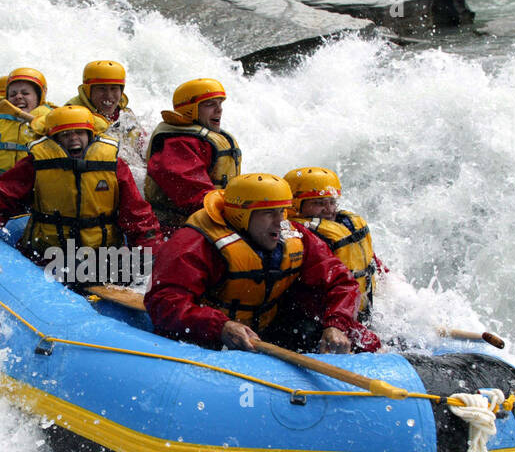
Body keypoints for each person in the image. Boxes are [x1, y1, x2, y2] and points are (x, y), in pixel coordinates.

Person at [145, 173, 381, 353]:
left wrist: (336, 325)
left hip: (269, 328)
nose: (280, 222)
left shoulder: (294, 236)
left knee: (347, 337)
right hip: (212, 336)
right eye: (269, 213)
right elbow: (165, 302)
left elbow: (341, 282)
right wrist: (221, 327)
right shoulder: (195, 243)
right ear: (242, 215)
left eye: (282, 212)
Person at [0, 105, 161, 286]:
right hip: (49, 257)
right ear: (54, 139)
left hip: (102, 259)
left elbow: (138, 217)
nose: (73, 139)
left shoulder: (113, 165)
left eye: (79, 132)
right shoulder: (36, 163)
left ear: (90, 135)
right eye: (65, 134)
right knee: (77, 268)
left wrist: (152, 253)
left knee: (133, 263)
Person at [284, 167, 384, 321]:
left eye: (332, 202)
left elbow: (375, 265)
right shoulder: (297, 237)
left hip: (357, 315)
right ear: (294, 206)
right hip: (323, 321)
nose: (328, 210)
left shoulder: (347, 227)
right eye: (319, 203)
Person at [143, 78, 242, 230]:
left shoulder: (204, 140)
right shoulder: (178, 144)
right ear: (190, 109)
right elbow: (195, 196)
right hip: (179, 229)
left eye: (220, 103)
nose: (219, 109)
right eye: (210, 104)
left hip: (211, 219)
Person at [65, 60, 149, 180]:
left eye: (114, 89)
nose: (109, 95)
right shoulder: (71, 114)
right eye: (102, 89)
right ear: (89, 90)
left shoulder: (125, 114)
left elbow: (142, 146)